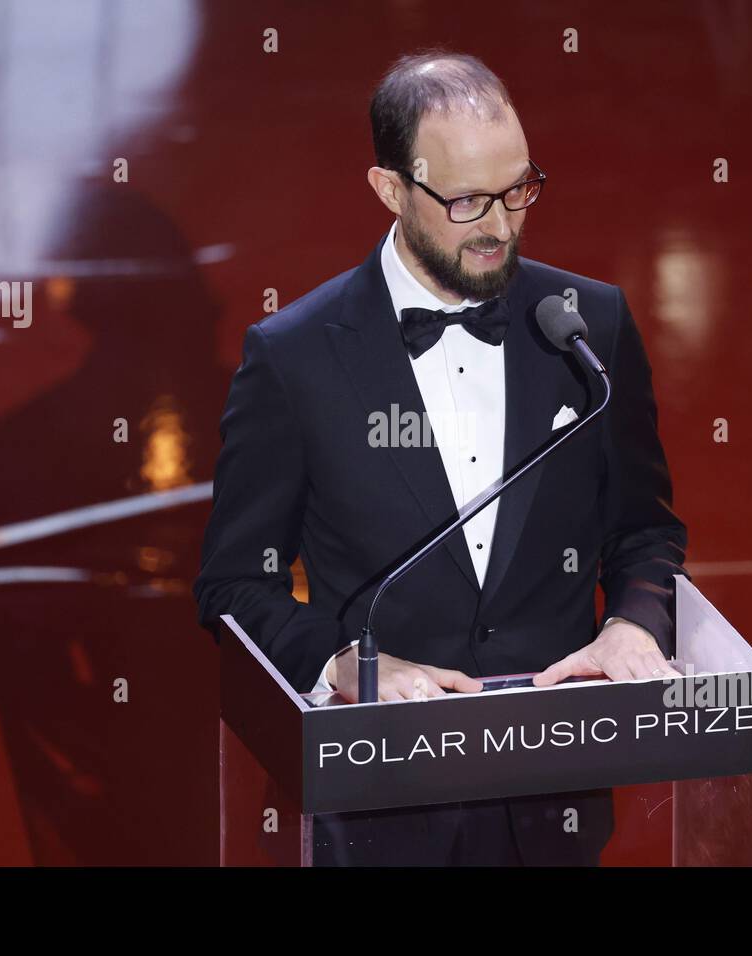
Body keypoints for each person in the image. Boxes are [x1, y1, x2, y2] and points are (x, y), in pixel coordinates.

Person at [194, 49, 687, 866]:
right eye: (465, 201)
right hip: (378, 800)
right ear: (390, 190)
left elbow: (644, 531)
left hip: (555, 791)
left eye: (518, 189)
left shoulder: (589, 327)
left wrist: (636, 624)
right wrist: (342, 665)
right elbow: (234, 584)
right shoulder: (295, 359)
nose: (498, 225)